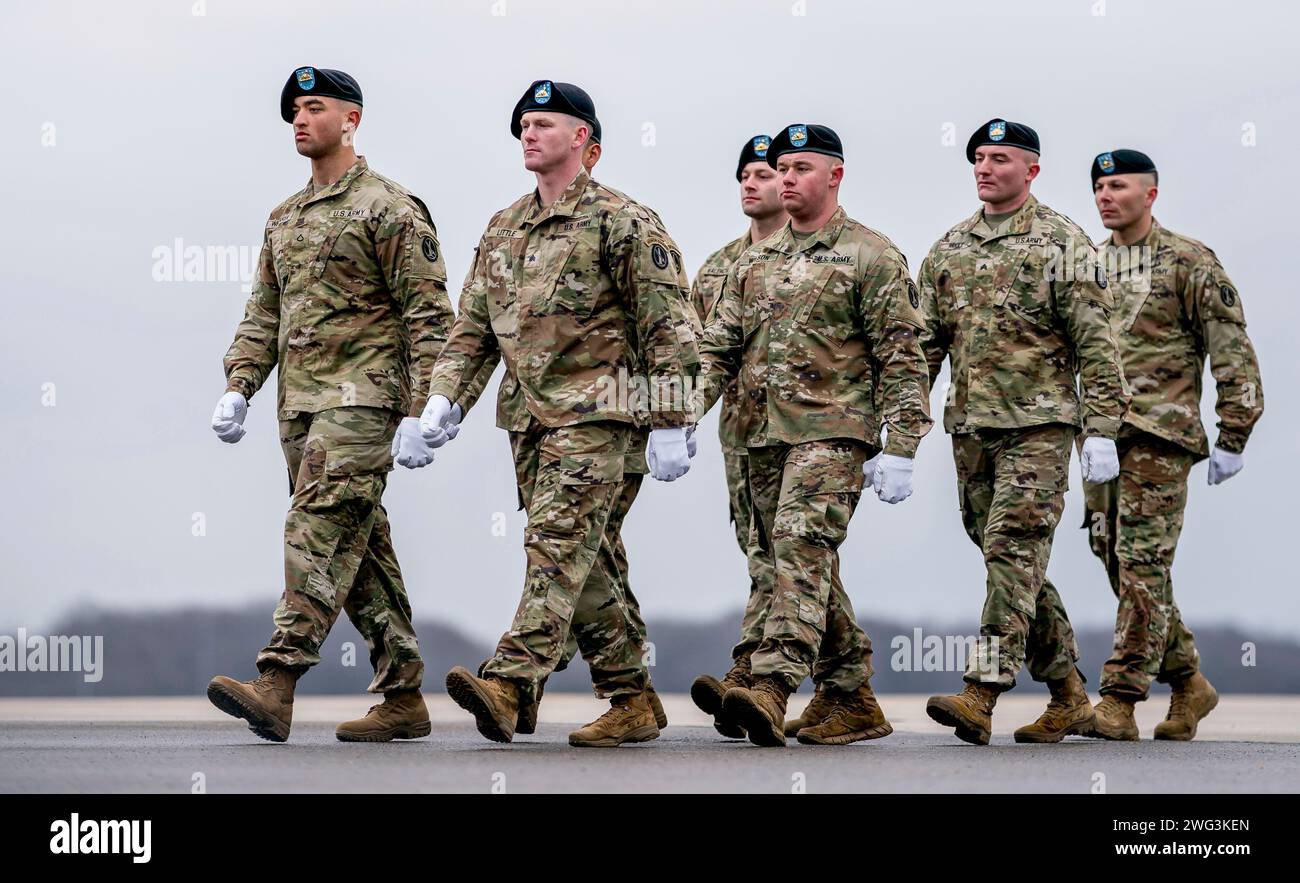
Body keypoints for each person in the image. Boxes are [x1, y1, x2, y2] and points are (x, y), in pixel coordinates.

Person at [420, 80, 700, 747]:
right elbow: (474, 329)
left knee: (555, 547)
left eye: (544, 123)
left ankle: (511, 681)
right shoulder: (503, 227)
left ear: (583, 138)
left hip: (604, 415)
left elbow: (668, 323)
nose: (529, 132)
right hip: (529, 419)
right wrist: (444, 396)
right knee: (588, 557)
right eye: (523, 124)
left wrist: (670, 418)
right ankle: (631, 696)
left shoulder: (622, 219)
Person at [206, 67, 454, 743]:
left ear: (352, 119)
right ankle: (404, 693)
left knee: (314, 526)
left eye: (314, 107)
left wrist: (428, 406)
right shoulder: (284, 218)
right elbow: (264, 312)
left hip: (364, 402)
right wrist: (239, 384)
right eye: (294, 109)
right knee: (359, 543)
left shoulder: (390, 207)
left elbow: (430, 314)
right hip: (300, 408)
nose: (299, 118)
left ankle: (277, 680)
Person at [694, 124, 934, 746]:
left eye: (801, 167)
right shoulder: (753, 260)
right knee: (788, 562)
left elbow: (903, 358)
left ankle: (771, 686)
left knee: (800, 545)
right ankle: (851, 694)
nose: (788, 177)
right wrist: (678, 415)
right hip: (762, 436)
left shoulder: (870, 256)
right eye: (783, 167)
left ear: (835, 175)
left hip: (834, 432)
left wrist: (903, 444)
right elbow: (719, 347)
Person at [917, 119, 1129, 745]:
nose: (985, 168)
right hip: (972, 429)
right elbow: (924, 346)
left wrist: (1102, 431)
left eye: (1001, 159)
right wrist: (896, 428)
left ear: (1031, 169)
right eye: (979, 158)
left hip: (1040, 428)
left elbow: (1098, 343)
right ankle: (1067, 696)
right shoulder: (950, 248)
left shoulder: (1064, 243)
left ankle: (981, 692)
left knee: (1013, 550)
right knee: (1010, 560)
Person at [1081, 148, 1264, 740]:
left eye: (1119, 186)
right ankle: (1189, 682)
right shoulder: (1085, 265)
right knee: (1116, 560)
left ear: (1151, 193)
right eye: (1100, 187)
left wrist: (1234, 429)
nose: (1107, 196)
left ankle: (1119, 698)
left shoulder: (1188, 261)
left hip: (1162, 435)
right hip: (1101, 440)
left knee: (1142, 562)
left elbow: (1231, 348)